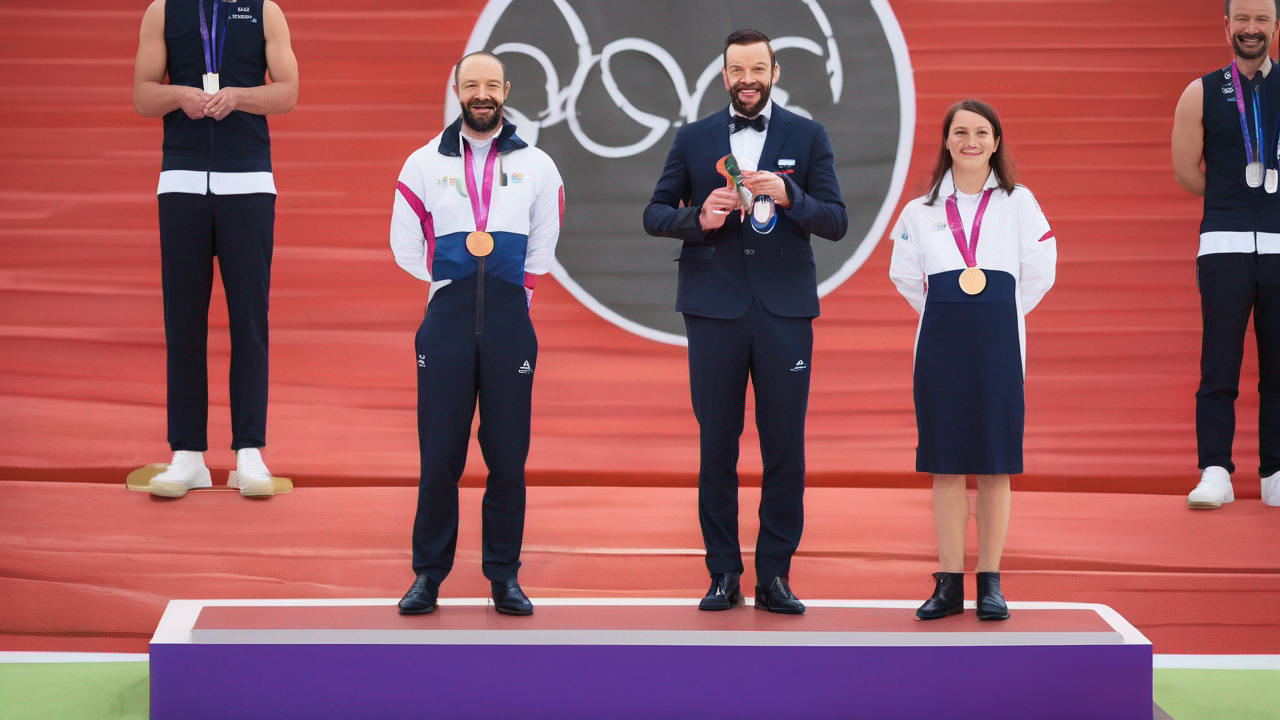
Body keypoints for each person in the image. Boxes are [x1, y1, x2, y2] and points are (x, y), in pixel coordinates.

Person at [643, 30, 848, 615]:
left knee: (785, 446)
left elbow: (835, 220)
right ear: (724, 75)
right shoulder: (694, 137)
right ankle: (722, 572)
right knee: (717, 446)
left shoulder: (808, 135)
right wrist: (699, 218)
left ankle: (776, 576)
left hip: (784, 311)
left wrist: (790, 197)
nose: (748, 78)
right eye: (738, 69)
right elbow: (654, 213)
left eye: (758, 68)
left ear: (776, 72)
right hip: (714, 310)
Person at [391, 52, 564, 616]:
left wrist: (518, 295)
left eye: (492, 84)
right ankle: (428, 575)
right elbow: (403, 245)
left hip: (512, 320)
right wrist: (447, 281)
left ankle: (504, 576)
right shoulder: (421, 163)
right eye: (472, 85)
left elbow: (543, 242)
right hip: (446, 321)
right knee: (439, 453)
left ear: (507, 90)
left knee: (508, 457)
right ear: (457, 90)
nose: (482, 93)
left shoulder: (538, 165)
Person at [888, 100, 1056, 621]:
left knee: (994, 464)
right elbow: (903, 276)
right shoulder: (921, 210)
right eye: (960, 132)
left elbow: (1040, 269)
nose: (971, 142)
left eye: (981, 133)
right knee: (944, 465)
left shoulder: (1019, 202)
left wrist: (995, 310)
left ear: (996, 141)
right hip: (939, 344)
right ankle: (946, 582)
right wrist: (952, 308)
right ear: (946, 141)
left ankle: (990, 582)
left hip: (999, 343)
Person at [132, 0, 298, 498]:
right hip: (181, 179)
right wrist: (179, 94)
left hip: (247, 181)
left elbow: (288, 93)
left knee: (249, 320)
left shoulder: (265, 10)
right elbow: (142, 96)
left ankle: (249, 451)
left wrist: (239, 98)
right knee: (183, 319)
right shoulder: (161, 11)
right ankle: (188, 454)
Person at [1174, 0, 1280, 509]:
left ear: (1276, 26)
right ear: (1227, 26)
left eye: (1261, 19)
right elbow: (1187, 172)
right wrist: (1232, 199)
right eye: (1242, 19)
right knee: (1219, 366)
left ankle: (1276, 472)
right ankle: (1215, 470)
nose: (1251, 28)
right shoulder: (1200, 91)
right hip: (1223, 248)